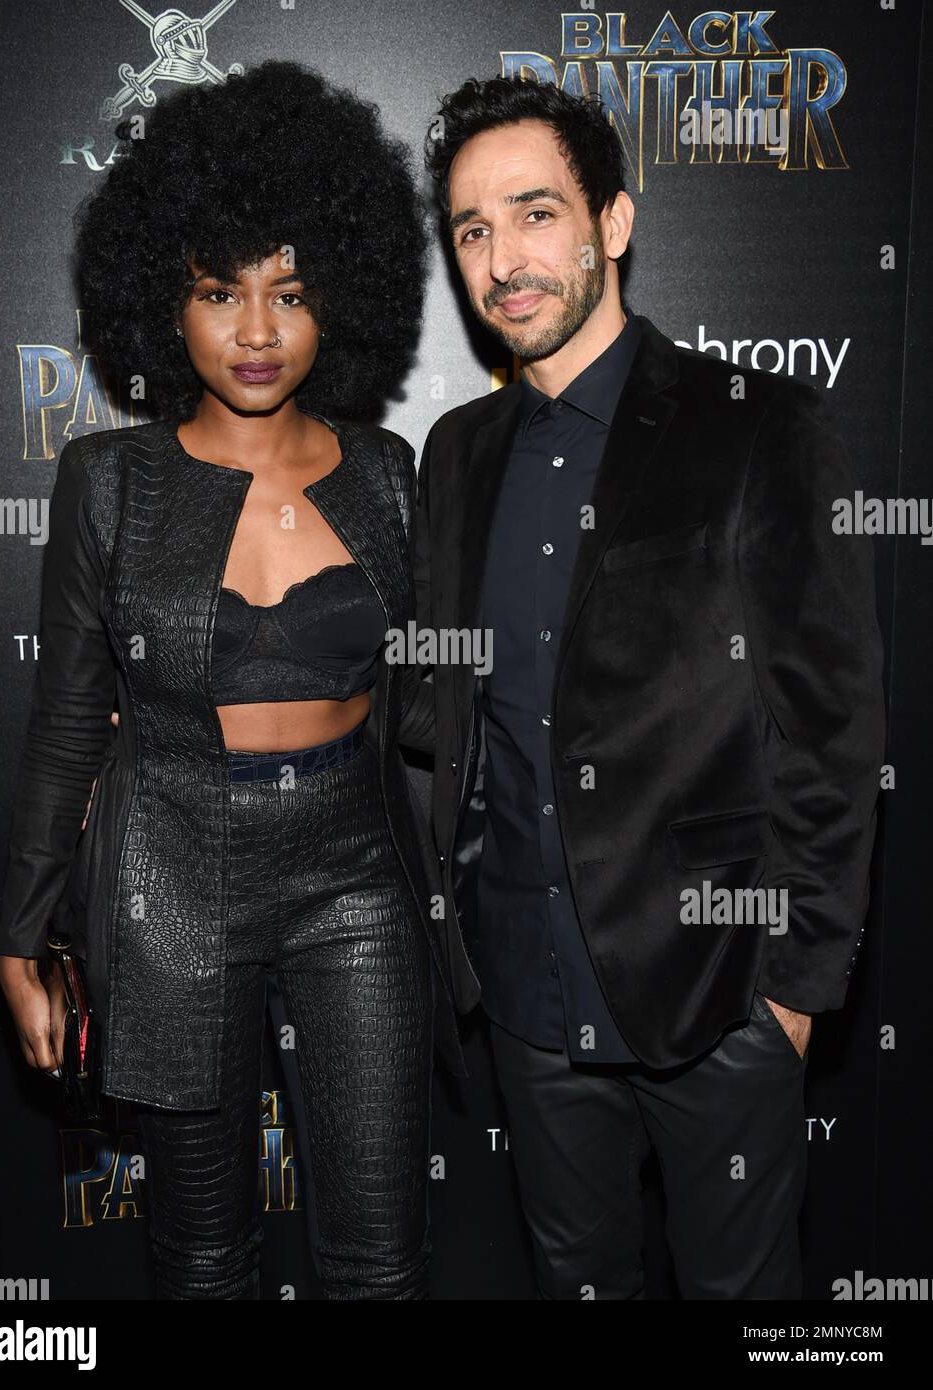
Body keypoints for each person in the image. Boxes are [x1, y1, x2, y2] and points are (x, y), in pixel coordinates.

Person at [0, 58, 463, 1301]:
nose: (257, 331)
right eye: (219, 291)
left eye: (292, 292)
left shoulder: (387, 471)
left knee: (378, 1264)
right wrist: (22, 932)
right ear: (166, 300)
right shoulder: (108, 480)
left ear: (339, 302)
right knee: (201, 1260)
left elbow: (433, 703)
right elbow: (62, 727)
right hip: (167, 876)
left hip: (355, 872)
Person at [410, 74, 886, 1298]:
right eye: (472, 229)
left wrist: (791, 990)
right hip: (522, 986)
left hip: (714, 994)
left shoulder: (757, 423)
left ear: (612, 222)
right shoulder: (457, 452)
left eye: (535, 213)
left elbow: (829, 727)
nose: (504, 258)